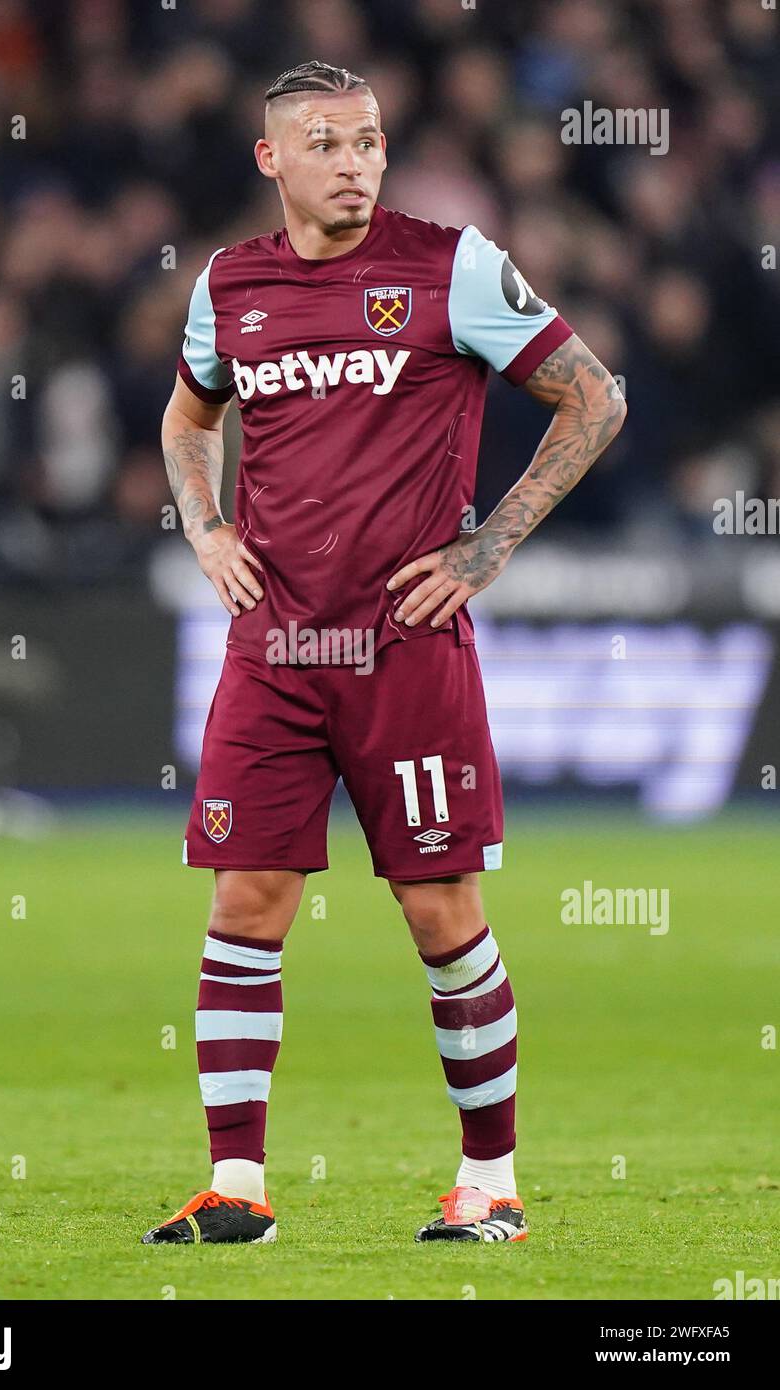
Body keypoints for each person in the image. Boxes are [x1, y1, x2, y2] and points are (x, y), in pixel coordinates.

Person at [143, 60, 626, 1247]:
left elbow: (593, 396)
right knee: (244, 902)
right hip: (273, 648)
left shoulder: (448, 264)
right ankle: (238, 1190)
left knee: (437, 910)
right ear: (273, 161)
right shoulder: (229, 284)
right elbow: (187, 415)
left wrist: (486, 547)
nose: (355, 163)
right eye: (327, 144)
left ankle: (489, 1184)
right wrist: (205, 526)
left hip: (404, 648)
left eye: (367, 142)